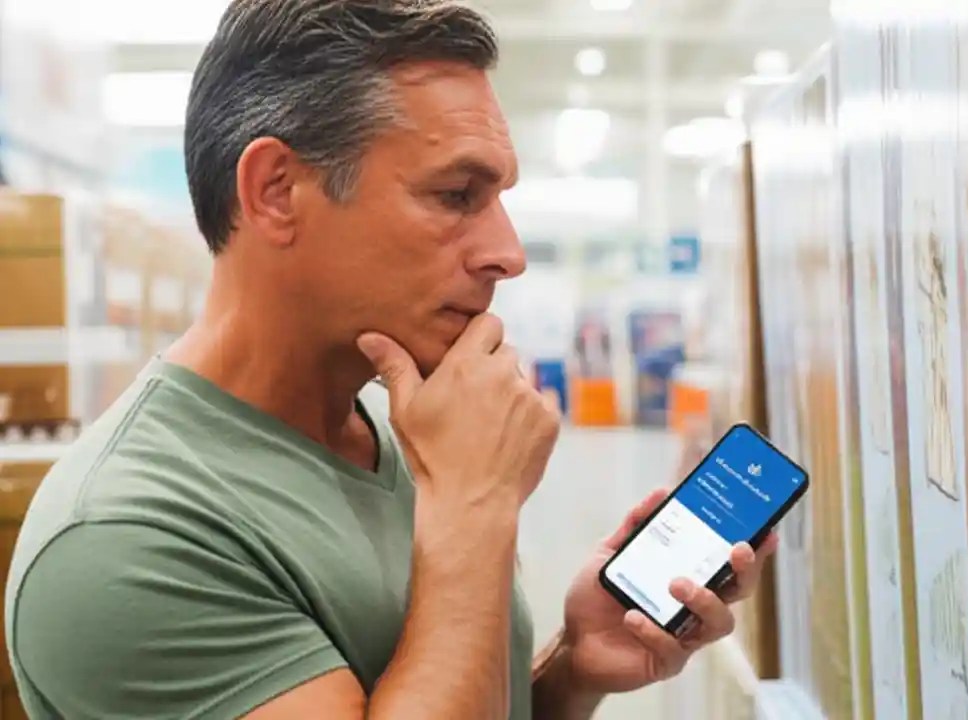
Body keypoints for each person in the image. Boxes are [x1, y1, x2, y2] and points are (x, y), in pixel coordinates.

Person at [2, 2, 778, 718]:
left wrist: (571, 673)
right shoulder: (123, 537)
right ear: (276, 191)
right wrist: (476, 505)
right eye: (457, 195)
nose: (507, 253)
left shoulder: (406, 433)